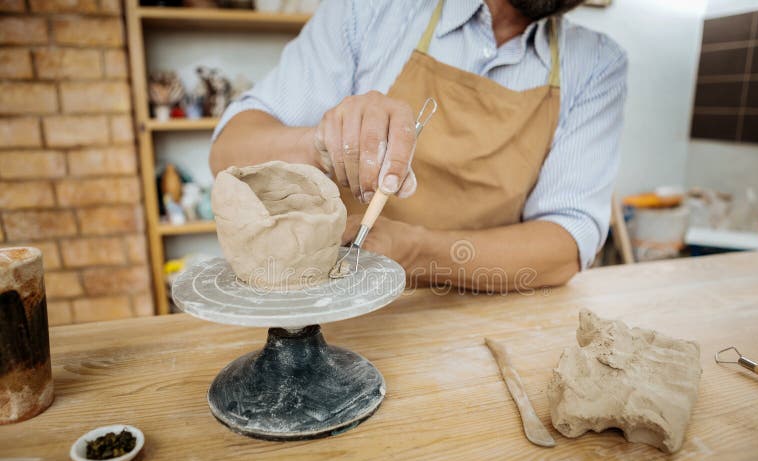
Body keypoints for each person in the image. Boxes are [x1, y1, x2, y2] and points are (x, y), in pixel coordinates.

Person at [210, 0, 627, 292]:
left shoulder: (596, 63)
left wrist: (414, 250)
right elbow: (228, 151)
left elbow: (564, 249)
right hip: (341, 309)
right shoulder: (375, 8)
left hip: (483, 314)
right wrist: (317, 143)